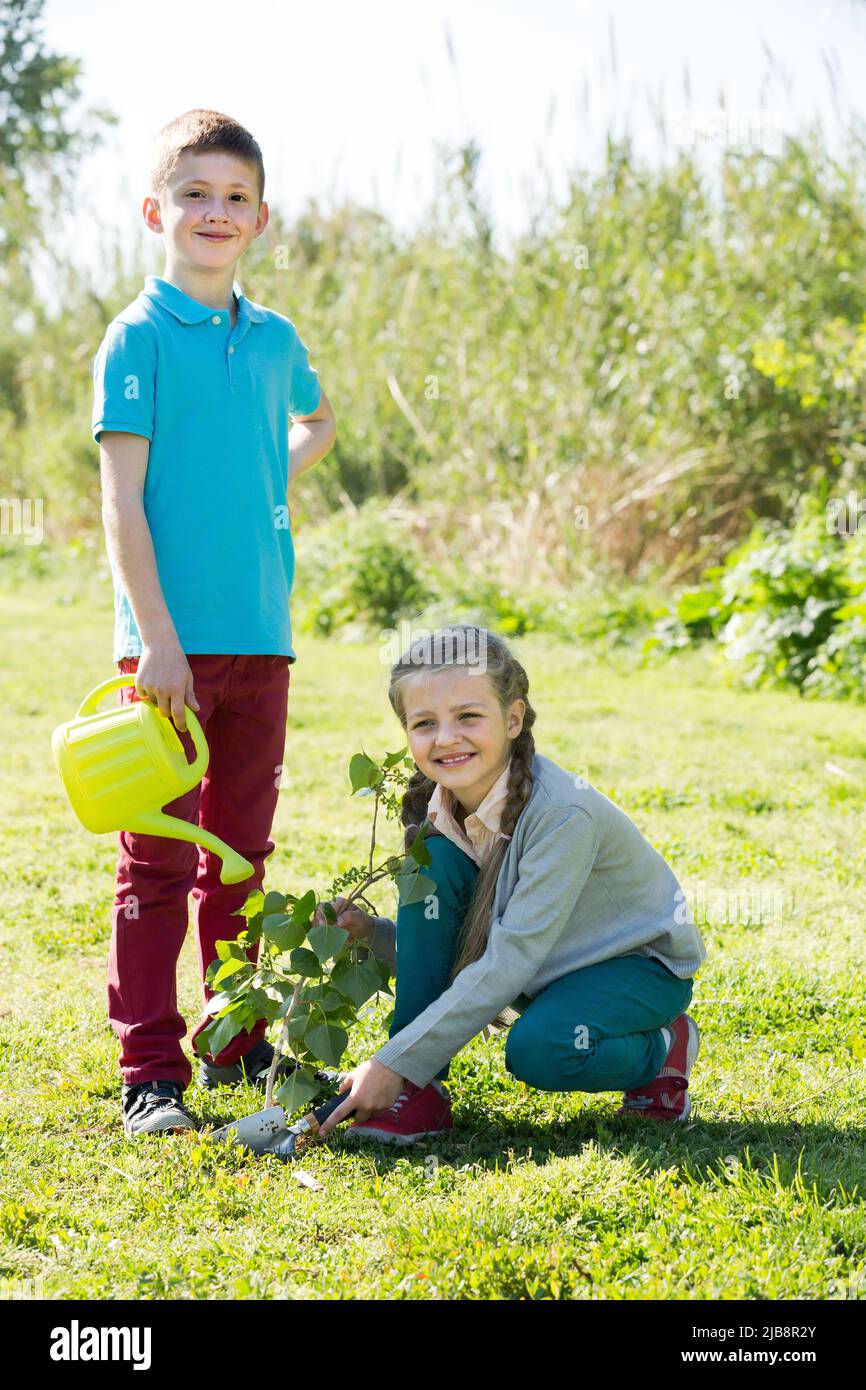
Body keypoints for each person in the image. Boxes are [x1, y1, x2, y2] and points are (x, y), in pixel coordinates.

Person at [92, 109, 337, 1136]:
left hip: (262, 641)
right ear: (156, 210)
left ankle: (234, 1040)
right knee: (156, 863)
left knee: (240, 860)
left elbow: (317, 418)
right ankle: (151, 1070)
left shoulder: (276, 339)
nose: (215, 211)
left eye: (236, 196)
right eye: (195, 192)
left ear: (261, 218)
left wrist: (263, 473)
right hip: (165, 651)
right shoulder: (137, 337)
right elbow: (120, 500)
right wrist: (157, 641)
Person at [315, 624, 708, 1144]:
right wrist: (372, 934)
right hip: (546, 968)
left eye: (469, 717)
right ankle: (421, 1091)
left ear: (514, 718)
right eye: (424, 723)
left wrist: (391, 1064)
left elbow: (510, 957)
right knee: (430, 865)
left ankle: (663, 1048)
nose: (447, 737)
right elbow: (445, 949)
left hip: (635, 968)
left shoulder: (563, 815)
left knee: (541, 1051)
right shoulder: (442, 814)